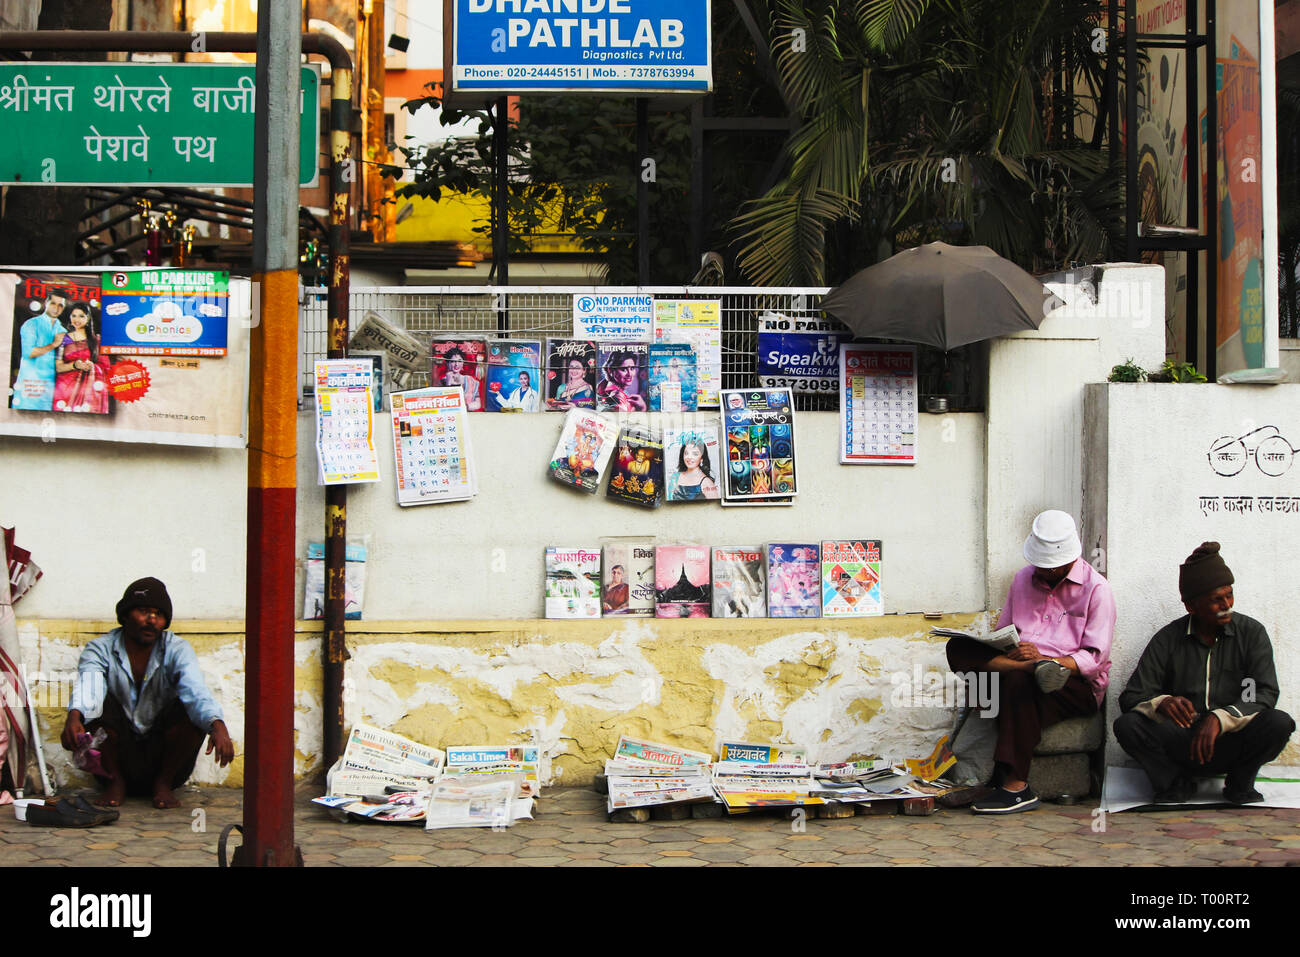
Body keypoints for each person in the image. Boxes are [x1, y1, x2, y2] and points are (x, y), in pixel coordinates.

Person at [944, 510, 1115, 814]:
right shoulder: (1023, 579)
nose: (1042, 572)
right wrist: (1012, 654)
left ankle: (1016, 786)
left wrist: (1048, 661)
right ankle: (1027, 669)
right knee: (960, 648)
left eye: (1050, 568)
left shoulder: (1096, 588)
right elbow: (1004, 632)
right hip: (1020, 667)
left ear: (1068, 561)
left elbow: (1095, 659)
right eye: (1040, 565)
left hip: (1072, 682)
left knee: (1021, 682)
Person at [1114, 543, 1294, 804]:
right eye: (1216, 600)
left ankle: (1240, 783)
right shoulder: (1168, 639)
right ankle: (1175, 784)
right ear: (1191, 606)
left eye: (1229, 595)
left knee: (1279, 722)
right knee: (1127, 726)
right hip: (1183, 741)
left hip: (1232, 739)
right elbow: (1132, 696)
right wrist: (1162, 703)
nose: (1226, 605)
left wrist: (1221, 718)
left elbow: (1263, 693)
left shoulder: (1251, 634)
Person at [61, 578, 234, 808]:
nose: (152, 620)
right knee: (96, 706)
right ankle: (116, 783)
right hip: (117, 757)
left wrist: (217, 725)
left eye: (158, 615)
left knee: (190, 711)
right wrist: (75, 716)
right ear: (125, 616)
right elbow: (90, 686)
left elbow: (195, 691)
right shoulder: (100, 648)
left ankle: (162, 785)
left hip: (162, 758)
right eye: (143, 611)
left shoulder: (176, 649)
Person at [11, 287, 69, 411]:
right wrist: (54, 344)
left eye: (60, 305)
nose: (56, 308)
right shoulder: (31, 324)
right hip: (30, 388)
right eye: (53, 303)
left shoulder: (63, 331)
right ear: (46, 303)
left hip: (52, 391)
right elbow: (28, 353)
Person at [53, 303, 111, 414]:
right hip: (65, 390)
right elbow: (58, 367)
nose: (76, 319)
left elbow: (106, 368)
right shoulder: (63, 338)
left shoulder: (97, 341)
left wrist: (92, 367)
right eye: (73, 316)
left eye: (81, 316)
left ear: (88, 318)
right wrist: (75, 365)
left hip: (88, 392)